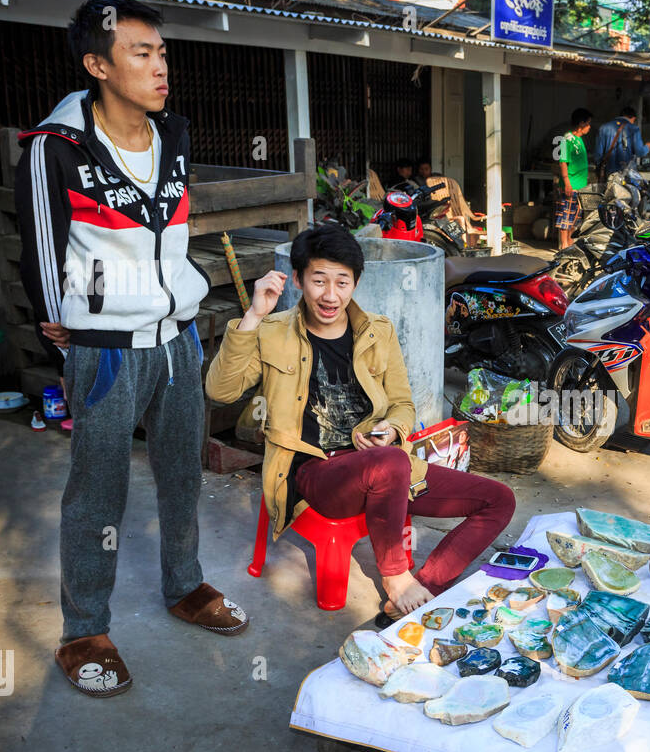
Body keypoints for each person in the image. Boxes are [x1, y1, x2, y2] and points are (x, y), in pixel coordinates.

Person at [16, 0, 249, 698]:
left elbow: (172, 236)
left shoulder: (173, 134)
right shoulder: (56, 148)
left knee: (183, 475)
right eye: (141, 54)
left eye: (163, 52)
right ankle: (84, 629)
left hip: (178, 340)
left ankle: (184, 586)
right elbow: (38, 249)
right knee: (97, 493)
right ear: (98, 65)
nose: (160, 66)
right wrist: (70, 329)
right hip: (106, 348)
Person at [206, 224, 516, 622]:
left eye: (342, 281)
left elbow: (403, 404)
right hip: (316, 473)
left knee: (498, 500)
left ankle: (424, 588)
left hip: (385, 465)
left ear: (355, 282)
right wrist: (252, 315)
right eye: (318, 281)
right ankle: (396, 579)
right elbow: (220, 391)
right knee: (390, 463)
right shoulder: (271, 331)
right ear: (298, 280)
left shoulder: (378, 331)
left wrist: (392, 429)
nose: (330, 295)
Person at [554, 108, 592, 249]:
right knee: (565, 216)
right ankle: (564, 244)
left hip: (580, 185)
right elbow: (563, 161)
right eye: (588, 123)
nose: (589, 127)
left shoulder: (579, 140)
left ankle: (570, 243)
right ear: (581, 123)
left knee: (575, 218)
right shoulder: (566, 139)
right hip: (571, 184)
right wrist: (567, 183)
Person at [594, 106, 650, 180]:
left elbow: (598, 155)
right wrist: (647, 147)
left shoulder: (603, 128)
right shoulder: (634, 129)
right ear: (633, 118)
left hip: (608, 173)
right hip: (626, 174)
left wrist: (600, 169)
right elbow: (640, 152)